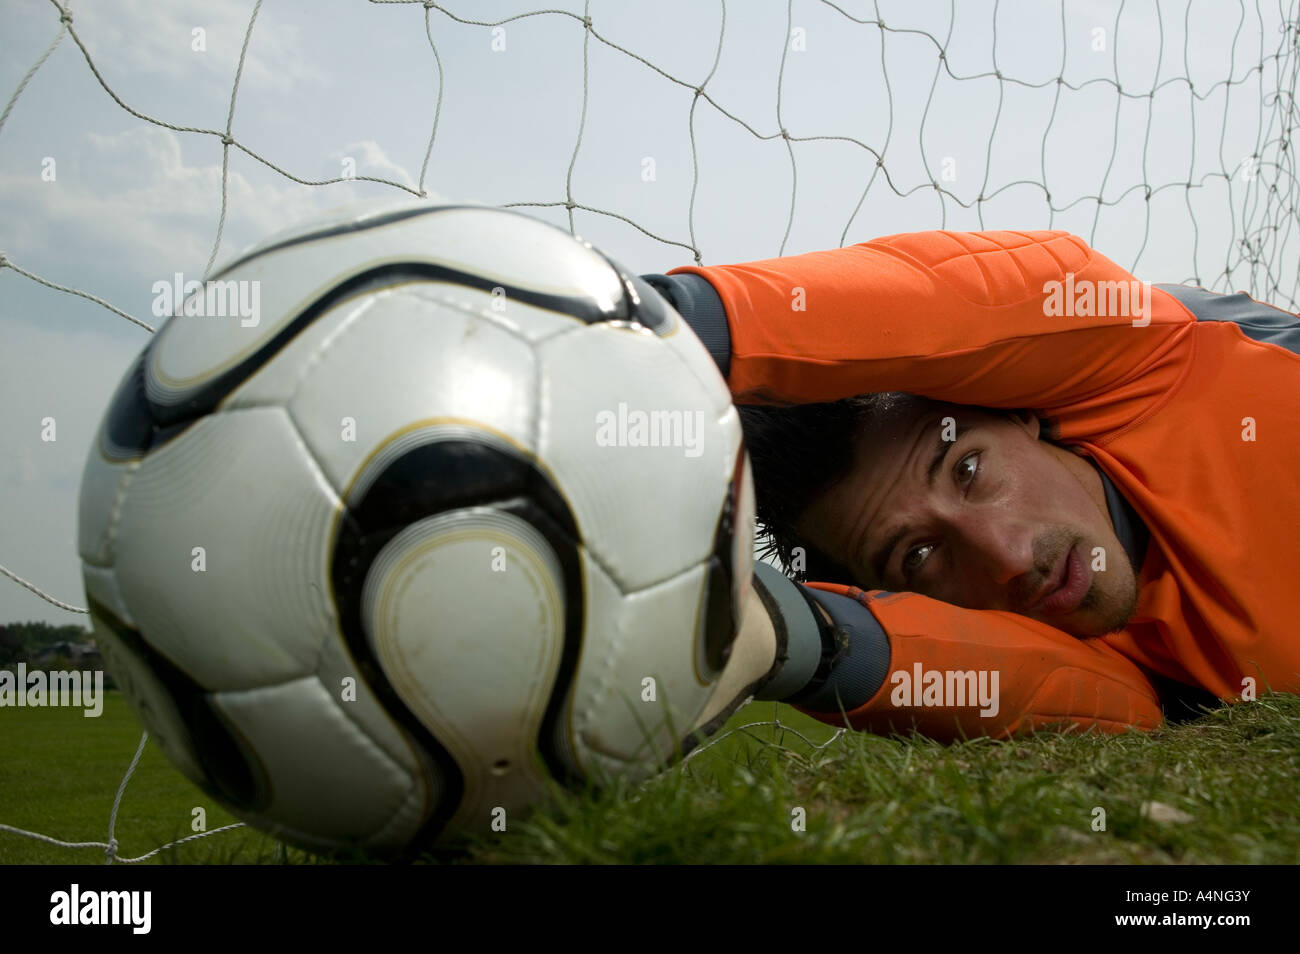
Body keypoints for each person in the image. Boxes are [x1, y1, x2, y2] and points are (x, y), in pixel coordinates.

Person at [642, 228, 1300, 742]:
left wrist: (665, 325)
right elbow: (999, 676)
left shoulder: (1149, 362)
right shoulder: (1115, 680)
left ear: (1016, 409)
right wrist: (777, 634)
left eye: (967, 470)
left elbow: (953, 302)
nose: (1008, 556)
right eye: (919, 555)